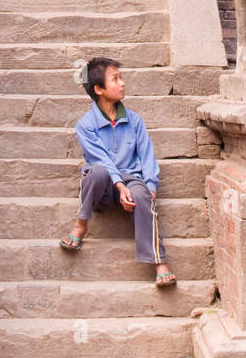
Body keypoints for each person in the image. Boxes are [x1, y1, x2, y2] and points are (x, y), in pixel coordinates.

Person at [59, 56, 176, 288]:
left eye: (121, 78)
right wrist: (118, 185)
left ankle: (159, 262)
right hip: (103, 186)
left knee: (142, 194)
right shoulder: (86, 124)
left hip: (130, 181)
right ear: (99, 89)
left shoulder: (134, 121)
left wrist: (150, 186)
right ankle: (81, 225)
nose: (122, 83)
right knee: (97, 171)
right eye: (115, 80)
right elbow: (100, 159)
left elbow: (146, 155)